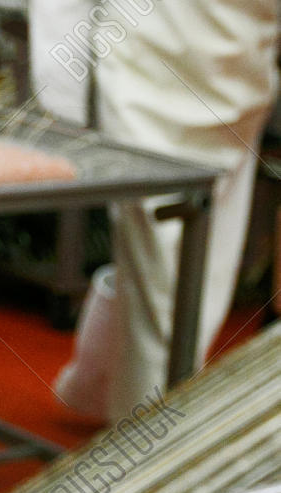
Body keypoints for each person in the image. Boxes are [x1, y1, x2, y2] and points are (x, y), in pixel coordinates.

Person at [43, 0, 280, 420]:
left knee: (202, 273)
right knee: (160, 273)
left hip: (239, 80)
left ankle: (97, 388)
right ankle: (142, 435)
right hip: (144, 75)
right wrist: (59, 99)